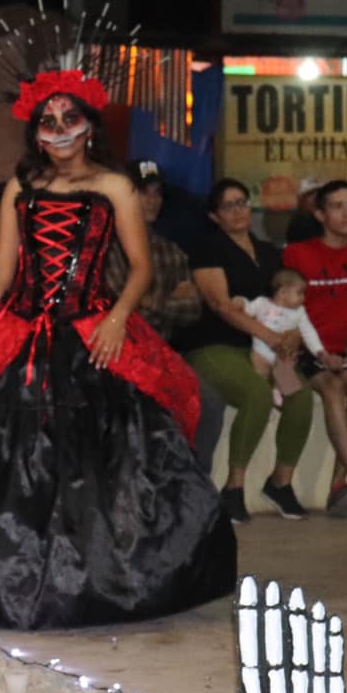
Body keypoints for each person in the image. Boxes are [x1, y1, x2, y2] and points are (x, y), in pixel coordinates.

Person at [0, 76, 234, 629]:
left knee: (103, 461)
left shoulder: (114, 186)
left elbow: (140, 268)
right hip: (20, 331)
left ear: (89, 125)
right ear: (37, 134)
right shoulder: (21, 185)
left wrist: (117, 319)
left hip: (92, 328)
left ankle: (95, 580)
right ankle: (9, 580)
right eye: (48, 122)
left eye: (70, 119)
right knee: (9, 466)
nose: (60, 131)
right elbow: (2, 268)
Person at [177, 178, 316, 522]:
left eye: (242, 202)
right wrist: (271, 336)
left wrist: (293, 338)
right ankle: (233, 488)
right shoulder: (207, 248)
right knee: (256, 393)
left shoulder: (269, 252)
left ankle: (280, 482)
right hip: (215, 345)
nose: (238, 210)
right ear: (214, 216)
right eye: (228, 205)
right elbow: (221, 305)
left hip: (266, 349)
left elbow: (289, 304)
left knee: (301, 395)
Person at [114, 161, 224, 473]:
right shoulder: (105, 247)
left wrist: (147, 300)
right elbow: (118, 309)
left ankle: (194, 489)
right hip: (115, 354)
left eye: (156, 193)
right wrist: (162, 301)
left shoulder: (168, 251)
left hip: (159, 352)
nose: (152, 200)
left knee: (208, 403)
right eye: (143, 193)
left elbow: (193, 309)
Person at [284, 180, 347, 514]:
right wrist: (316, 357)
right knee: (331, 388)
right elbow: (289, 315)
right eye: (337, 206)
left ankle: (338, 486)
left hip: (341, 353)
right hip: (303, 350)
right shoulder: (298, 254)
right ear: (320, 213)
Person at [244, 270, 330, 407]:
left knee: (288, 379)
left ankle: (278, 390)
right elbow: (246, 311)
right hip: (260, 351)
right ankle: (263, 392)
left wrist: (319, 350)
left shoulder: (299, 312)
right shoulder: (261, 303)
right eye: (299, 293)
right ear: (283, 292)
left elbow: (308, 332)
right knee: (260, 374)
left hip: (283, 353)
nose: (303, 298)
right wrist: (240, 302)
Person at [284, 179, 325, 244]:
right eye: (310, 194)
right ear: (301, 200)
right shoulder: (300, 220)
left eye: (319, 193)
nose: (316, 197)